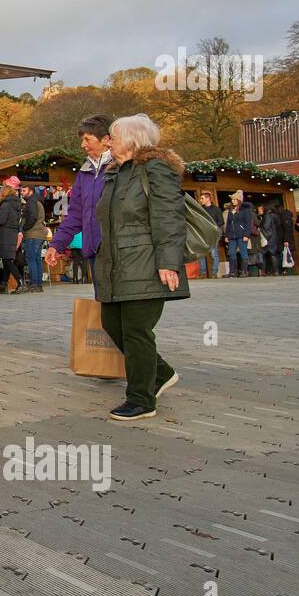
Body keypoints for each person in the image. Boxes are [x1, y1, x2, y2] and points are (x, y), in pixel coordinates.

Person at [93, 114, 188, 421]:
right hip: (116, 265)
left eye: (113, 136)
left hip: (145, 263)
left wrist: (168, 263)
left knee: (136, 331)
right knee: (112, 324)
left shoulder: (155, 169)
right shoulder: (115, 173)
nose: (109, 141)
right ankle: (160, 374)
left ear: (133, 140)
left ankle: (141, 400)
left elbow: (169, 217)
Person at [46, 114, 114, 286]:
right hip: (94, 252)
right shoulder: (84, 173)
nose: (82, 145)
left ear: (106, 139)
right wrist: (56, 244)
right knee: (105, 309)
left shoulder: (123, 168)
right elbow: (75, 214)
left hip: (120, 253)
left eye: (87, 139)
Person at [0, 177, 25, 294]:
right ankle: (3, 285)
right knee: (7, 260)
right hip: (12, 233)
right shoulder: (16, 204)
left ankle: (20, 282)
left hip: (5, 235)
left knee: (7, 261)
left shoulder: (5, 205)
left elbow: (1, 220)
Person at [20, 183, 49, 292]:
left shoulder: (31, 202)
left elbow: (32, 217)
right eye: (21, 191)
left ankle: (34, 284)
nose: (22, 193)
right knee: (37, 260)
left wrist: (25, 228)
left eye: (24, 190)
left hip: (33, 234)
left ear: (31, 191)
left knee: (31, 259)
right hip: (39, 234)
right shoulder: (37, 201)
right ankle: (38, 284)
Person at [223, 190, 255, 278]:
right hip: (232, 235)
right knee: (231, 253)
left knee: (243, 252)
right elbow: (228, 224)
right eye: (232, 199)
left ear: (239, 200)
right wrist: (227, 235)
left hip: (242, 234)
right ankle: (232, 272)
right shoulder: (231, 211)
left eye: (234, 199)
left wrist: (246, 235)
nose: (232, 201)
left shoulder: (245, 210)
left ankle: (244, 271)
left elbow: (248, 223)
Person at [196, 191, 222, 278]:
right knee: (202, 254)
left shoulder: (217, 209)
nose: (200, 200)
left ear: (208, 199)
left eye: (202, 198)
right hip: (203, 234)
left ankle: (214, 273)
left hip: (213, 235)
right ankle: (203, 273)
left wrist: (215, 228)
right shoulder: (200, 209)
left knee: (214, 254)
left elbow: (221, 222)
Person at [258, 203, 281, 276]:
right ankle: (275, 271)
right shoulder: (275, 216)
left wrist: (259, 228)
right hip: (273, 237)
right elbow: (277, 225)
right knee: (272, 254)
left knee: (266, 254)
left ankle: (266, 271)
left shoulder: (267, 216)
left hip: (268, 237)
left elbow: (266, 226)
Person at [276, 203, 297, 274]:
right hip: (285, 239)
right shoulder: (285, 216)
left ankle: (288, 271)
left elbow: (287, 229)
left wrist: (286, 240)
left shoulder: (285, 216)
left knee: (286, 254)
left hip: (285, 240)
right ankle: (287, 270)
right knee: (287, 254)